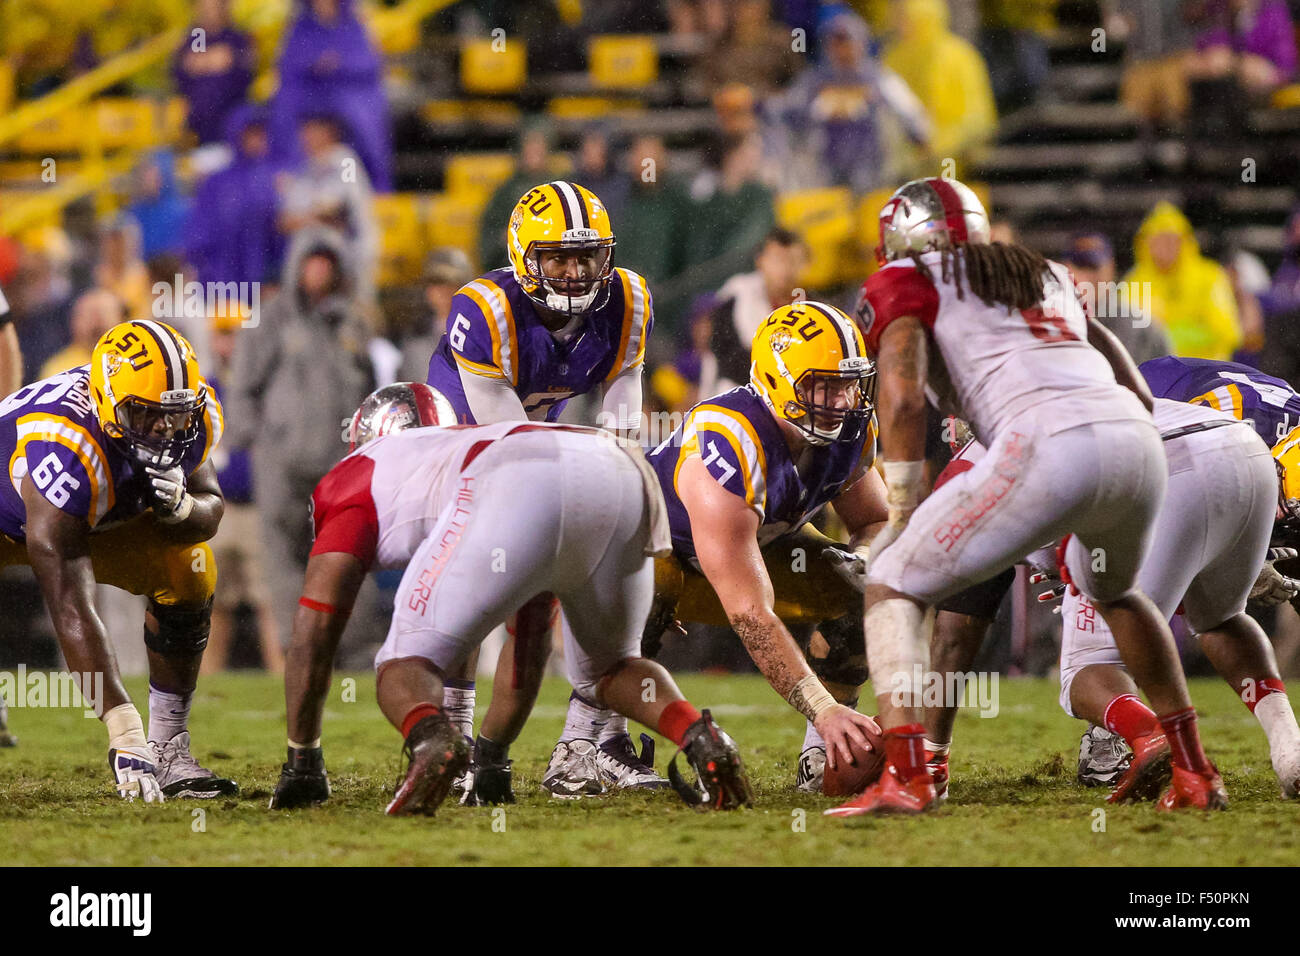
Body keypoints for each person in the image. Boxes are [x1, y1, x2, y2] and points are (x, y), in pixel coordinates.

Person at [831, 177, 1222, 816]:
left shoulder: (907, 281)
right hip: (1134, 440)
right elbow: (1134, 384)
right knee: (1115, 592)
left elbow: (901, 397)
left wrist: (901, 506)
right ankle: (1195, 770)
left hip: (1045, 440)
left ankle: (908, 775)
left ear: (900, 241)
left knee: (892, 578)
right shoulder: (1040, 272)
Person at [269, 384, 753, 815]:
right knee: (611, 669)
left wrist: (302, 760)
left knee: (402, 661)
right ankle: (703, 737)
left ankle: (434, 740)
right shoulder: (467, 446)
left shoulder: (355, 475)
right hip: (621, 467)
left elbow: (314, 635)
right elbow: (530, 641)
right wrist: (492, 762)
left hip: (518, 479)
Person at [424, 180, 660, 800]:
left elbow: (624, 390)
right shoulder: (486, 311)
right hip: (466, 430)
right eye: (558, 257)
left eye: (587, 256)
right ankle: (454, 737)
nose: (577, 271)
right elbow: (510, 441)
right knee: (469, 578)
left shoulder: (629, 298)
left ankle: (585, 742)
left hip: (541, 424)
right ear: (524, 255)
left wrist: (621, 457)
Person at [640, 300, 891, 791]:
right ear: (777, 380)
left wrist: (863, 563)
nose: (841, 401)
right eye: (824, 384)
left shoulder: (850, 428)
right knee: (645, 595)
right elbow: (752, 616)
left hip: (749, 552)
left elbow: (877, 521)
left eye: (848, 384)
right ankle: (587, 745)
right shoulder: (731, 442)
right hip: (657, 551)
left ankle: (825, 757)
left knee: (865, 586)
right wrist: (820, 707)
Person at [0, 319, 236, 801]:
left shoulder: (190, 409)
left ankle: (169, 746)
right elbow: (67, 599)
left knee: (189, 566)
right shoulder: (68, 445)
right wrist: (123, 731)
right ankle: (140, 734)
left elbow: (209, 508)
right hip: (22, 517)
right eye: (144, 415)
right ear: (107, 404)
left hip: (84, 517)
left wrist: (184, 508)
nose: (161, 429)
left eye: (171, 415)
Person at [1058, 397, 1300, 799]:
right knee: (1221, 616)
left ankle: (1154, 737)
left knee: (1088, 661)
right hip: (1252, 455)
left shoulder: (1005, 431)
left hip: (1166, 466)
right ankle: (1291, 751)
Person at [224, 227, 375, 649]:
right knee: (283, 559)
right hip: (281, 462)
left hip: (341, 464)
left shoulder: (354, 323)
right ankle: (299, 648)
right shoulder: (271, 319)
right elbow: (244, 386)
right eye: (313, 260)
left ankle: (355, 649)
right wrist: (252, 440)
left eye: (328, 261)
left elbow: (371, 389)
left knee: (349, 554)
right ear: (296, 266)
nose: (319, 270)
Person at [270, 0, 392, 192]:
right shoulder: (300, 27)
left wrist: (339, 66)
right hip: (310, 94)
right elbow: (288, 66)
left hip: (346, 95)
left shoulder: (354, 25)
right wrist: (315, 64)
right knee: (286, 108)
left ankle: (369, 187)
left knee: (358, 116)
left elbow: (369, 65)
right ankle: (292, 180)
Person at [278, 113, 379, 304]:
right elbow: (284, 221)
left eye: (314, 130)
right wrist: (311, 217)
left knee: (354, 308)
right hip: (314, 254)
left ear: (330, 132)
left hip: (352, 251)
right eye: (305, 131)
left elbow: (334, 207)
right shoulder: (305, 168)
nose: (307, 136)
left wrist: (307, 217)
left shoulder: (346, 161)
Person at [1123, 201, 1241, 361]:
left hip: (1206, 371)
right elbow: (1127, 336)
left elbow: (1228, 333)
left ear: (1185, 241)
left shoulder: (1210, 276)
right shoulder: (1134, 280)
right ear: (1145, 243)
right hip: (1157, 374)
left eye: (1172, 239)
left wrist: (1166, 334)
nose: (1165, 246)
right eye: (1158, 239)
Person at [186, 106, 284, 289]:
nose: (258, 140)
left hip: (266, 277)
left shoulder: (278, 178)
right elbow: (199, 233)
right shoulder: (217, 182)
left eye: (262, 133)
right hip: (223, 276)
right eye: (251, 134)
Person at [707, 227, 809, 391]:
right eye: (777, 259)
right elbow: (725, 354)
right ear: (760, 260)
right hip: (738, 393)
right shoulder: (737, 295)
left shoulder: (814, 306)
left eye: (793, 260)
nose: (785, 268)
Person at [1062, 231, 1171, 365]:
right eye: (1080, 266)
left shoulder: (1140, 327)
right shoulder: (1053, 323)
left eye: (1093, 267)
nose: (1087, 276)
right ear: (1065, 269)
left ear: (1111, 268)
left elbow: (1168, 378)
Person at [171, 0, 255, 149]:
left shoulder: (235, 37)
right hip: (198, 121)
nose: (208, 10)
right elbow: (188, 67)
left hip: (230, 115)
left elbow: (243, 72)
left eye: (213, 5)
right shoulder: (198, 36)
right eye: (204, 5)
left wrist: (207, 61)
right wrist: (212, 59)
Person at [398, 248, 474, 383]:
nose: (443, 290)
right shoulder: (415, 335)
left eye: (452, 281)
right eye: (436, 281)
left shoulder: (483, 332)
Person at [40, 288, 124, 380]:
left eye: (104, 313)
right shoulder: (58, 370)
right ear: (73, 322)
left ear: (122, 319)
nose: (95, 323)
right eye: (87, 315)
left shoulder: (134, 358)